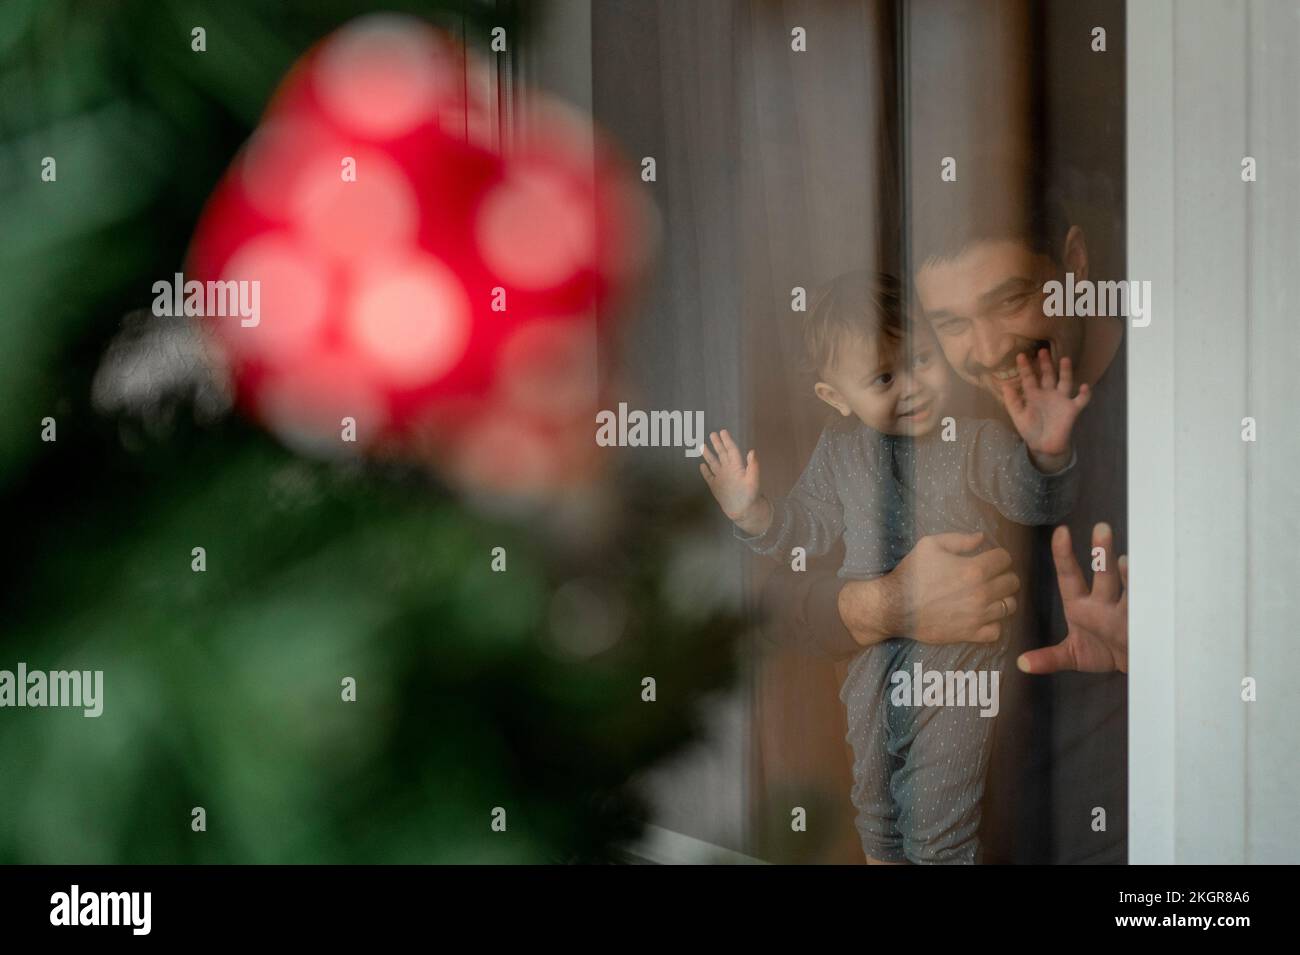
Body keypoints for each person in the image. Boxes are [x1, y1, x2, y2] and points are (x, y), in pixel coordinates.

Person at [761, 156, 1129, 863]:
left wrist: (1155, 649)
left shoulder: (1179, 417)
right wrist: (887, 604)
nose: (987, 351)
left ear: (1075, 265)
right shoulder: (925, 417)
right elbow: (774, 601)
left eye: (1009, 298)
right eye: (952, 323)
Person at [700, 270, 1089, 863]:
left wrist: (1046, 451)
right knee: (876, 811)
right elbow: (804, 530)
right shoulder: (838, 451)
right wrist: (754, 514)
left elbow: (1034, 500)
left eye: (923, 361)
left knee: (938, 823)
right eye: (884, 377)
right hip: (869, 666)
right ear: (836, 397)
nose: (913, 387)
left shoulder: (973, 439)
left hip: (956, 665)